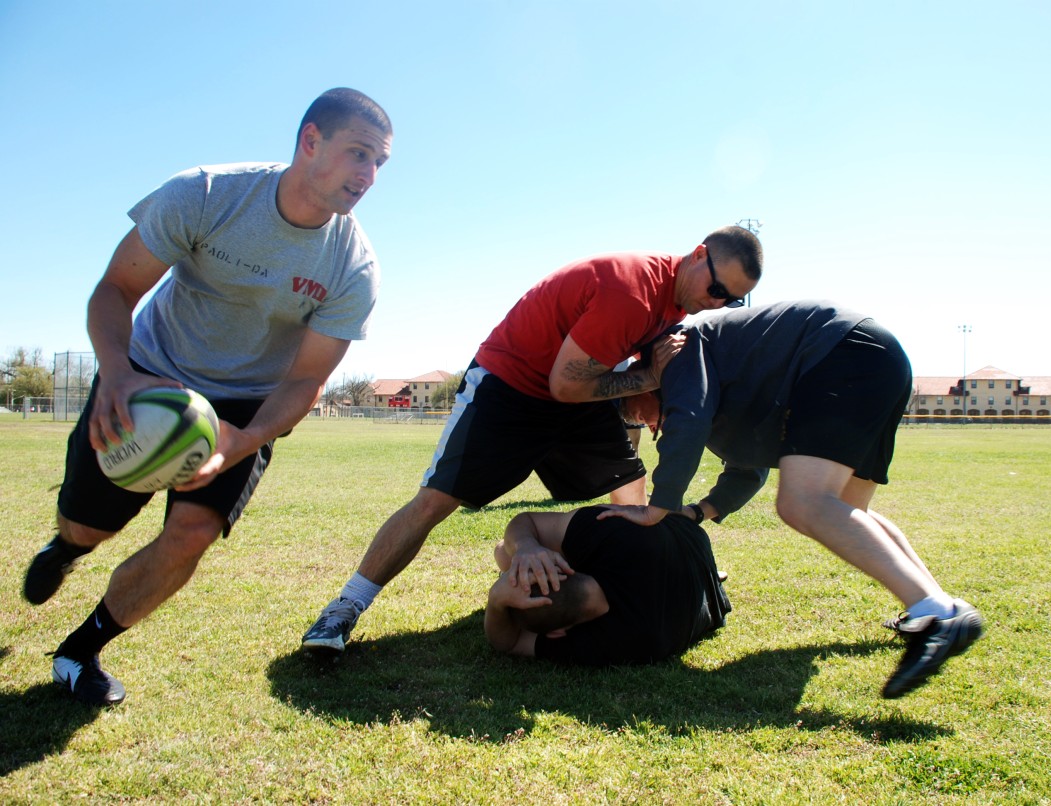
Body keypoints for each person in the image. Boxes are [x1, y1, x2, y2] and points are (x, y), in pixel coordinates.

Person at [22, 88, 393, 706]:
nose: (368, 176)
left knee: (193, 531)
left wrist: (246, 439)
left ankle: (79, 650)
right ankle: (66, 548)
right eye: (358, 154)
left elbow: (306, 379)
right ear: (310, 141)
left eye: (379, 163)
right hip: (148, 373)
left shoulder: (354, 267)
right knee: (88, 524)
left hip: (246, 403)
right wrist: (115, 371)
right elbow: (114, 290)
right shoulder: (205, 194)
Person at [301, 226, 763, 654]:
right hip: (513, 387)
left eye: (730, 300)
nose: (717, 301)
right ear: (698, 255)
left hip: (576, 396)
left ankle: (661, 574)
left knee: (631, 488)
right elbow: (566, 384)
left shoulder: (677, 302)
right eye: (717, 287)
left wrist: (648, 389)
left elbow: (603, 381)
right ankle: (343, 609)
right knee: (434, 502)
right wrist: (646, 377)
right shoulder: (633, 290)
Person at [608, 300, 984, 699]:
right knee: (848, 508)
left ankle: (940, 616)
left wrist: (658, 507)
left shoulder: (674, 351)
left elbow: (688, 424)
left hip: (843, 352)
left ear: (641, 378)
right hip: (875, 356)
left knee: (803, 503)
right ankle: (934, 605)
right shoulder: (710, 387)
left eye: (632, 410)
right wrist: (698, 511)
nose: (643, 423)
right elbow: (747, 466)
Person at [485, 506, 730, 665]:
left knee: (504, 554)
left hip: (703, 585)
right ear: (562, 564)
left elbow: (509, 642)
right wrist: (526, 550)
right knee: (505, 554)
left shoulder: (618, 642)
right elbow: (525, 520)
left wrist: (497, 599)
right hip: (688, 537)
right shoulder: (606, 531)